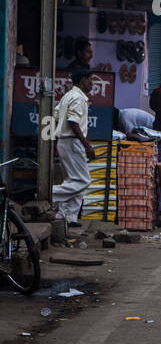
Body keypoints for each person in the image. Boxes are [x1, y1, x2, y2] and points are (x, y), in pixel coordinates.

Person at [51, 68, 97, 226]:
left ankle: (67, 216)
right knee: (83, 181)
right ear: (83, 80)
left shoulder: (68, 96)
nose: (92, 83)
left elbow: (56, 115)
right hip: (71, 142)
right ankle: (48, 194)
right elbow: (73, 121)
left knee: (73, 180)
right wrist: (87, 145)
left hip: (64, 141)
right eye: (91, 79)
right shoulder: (77, 97)